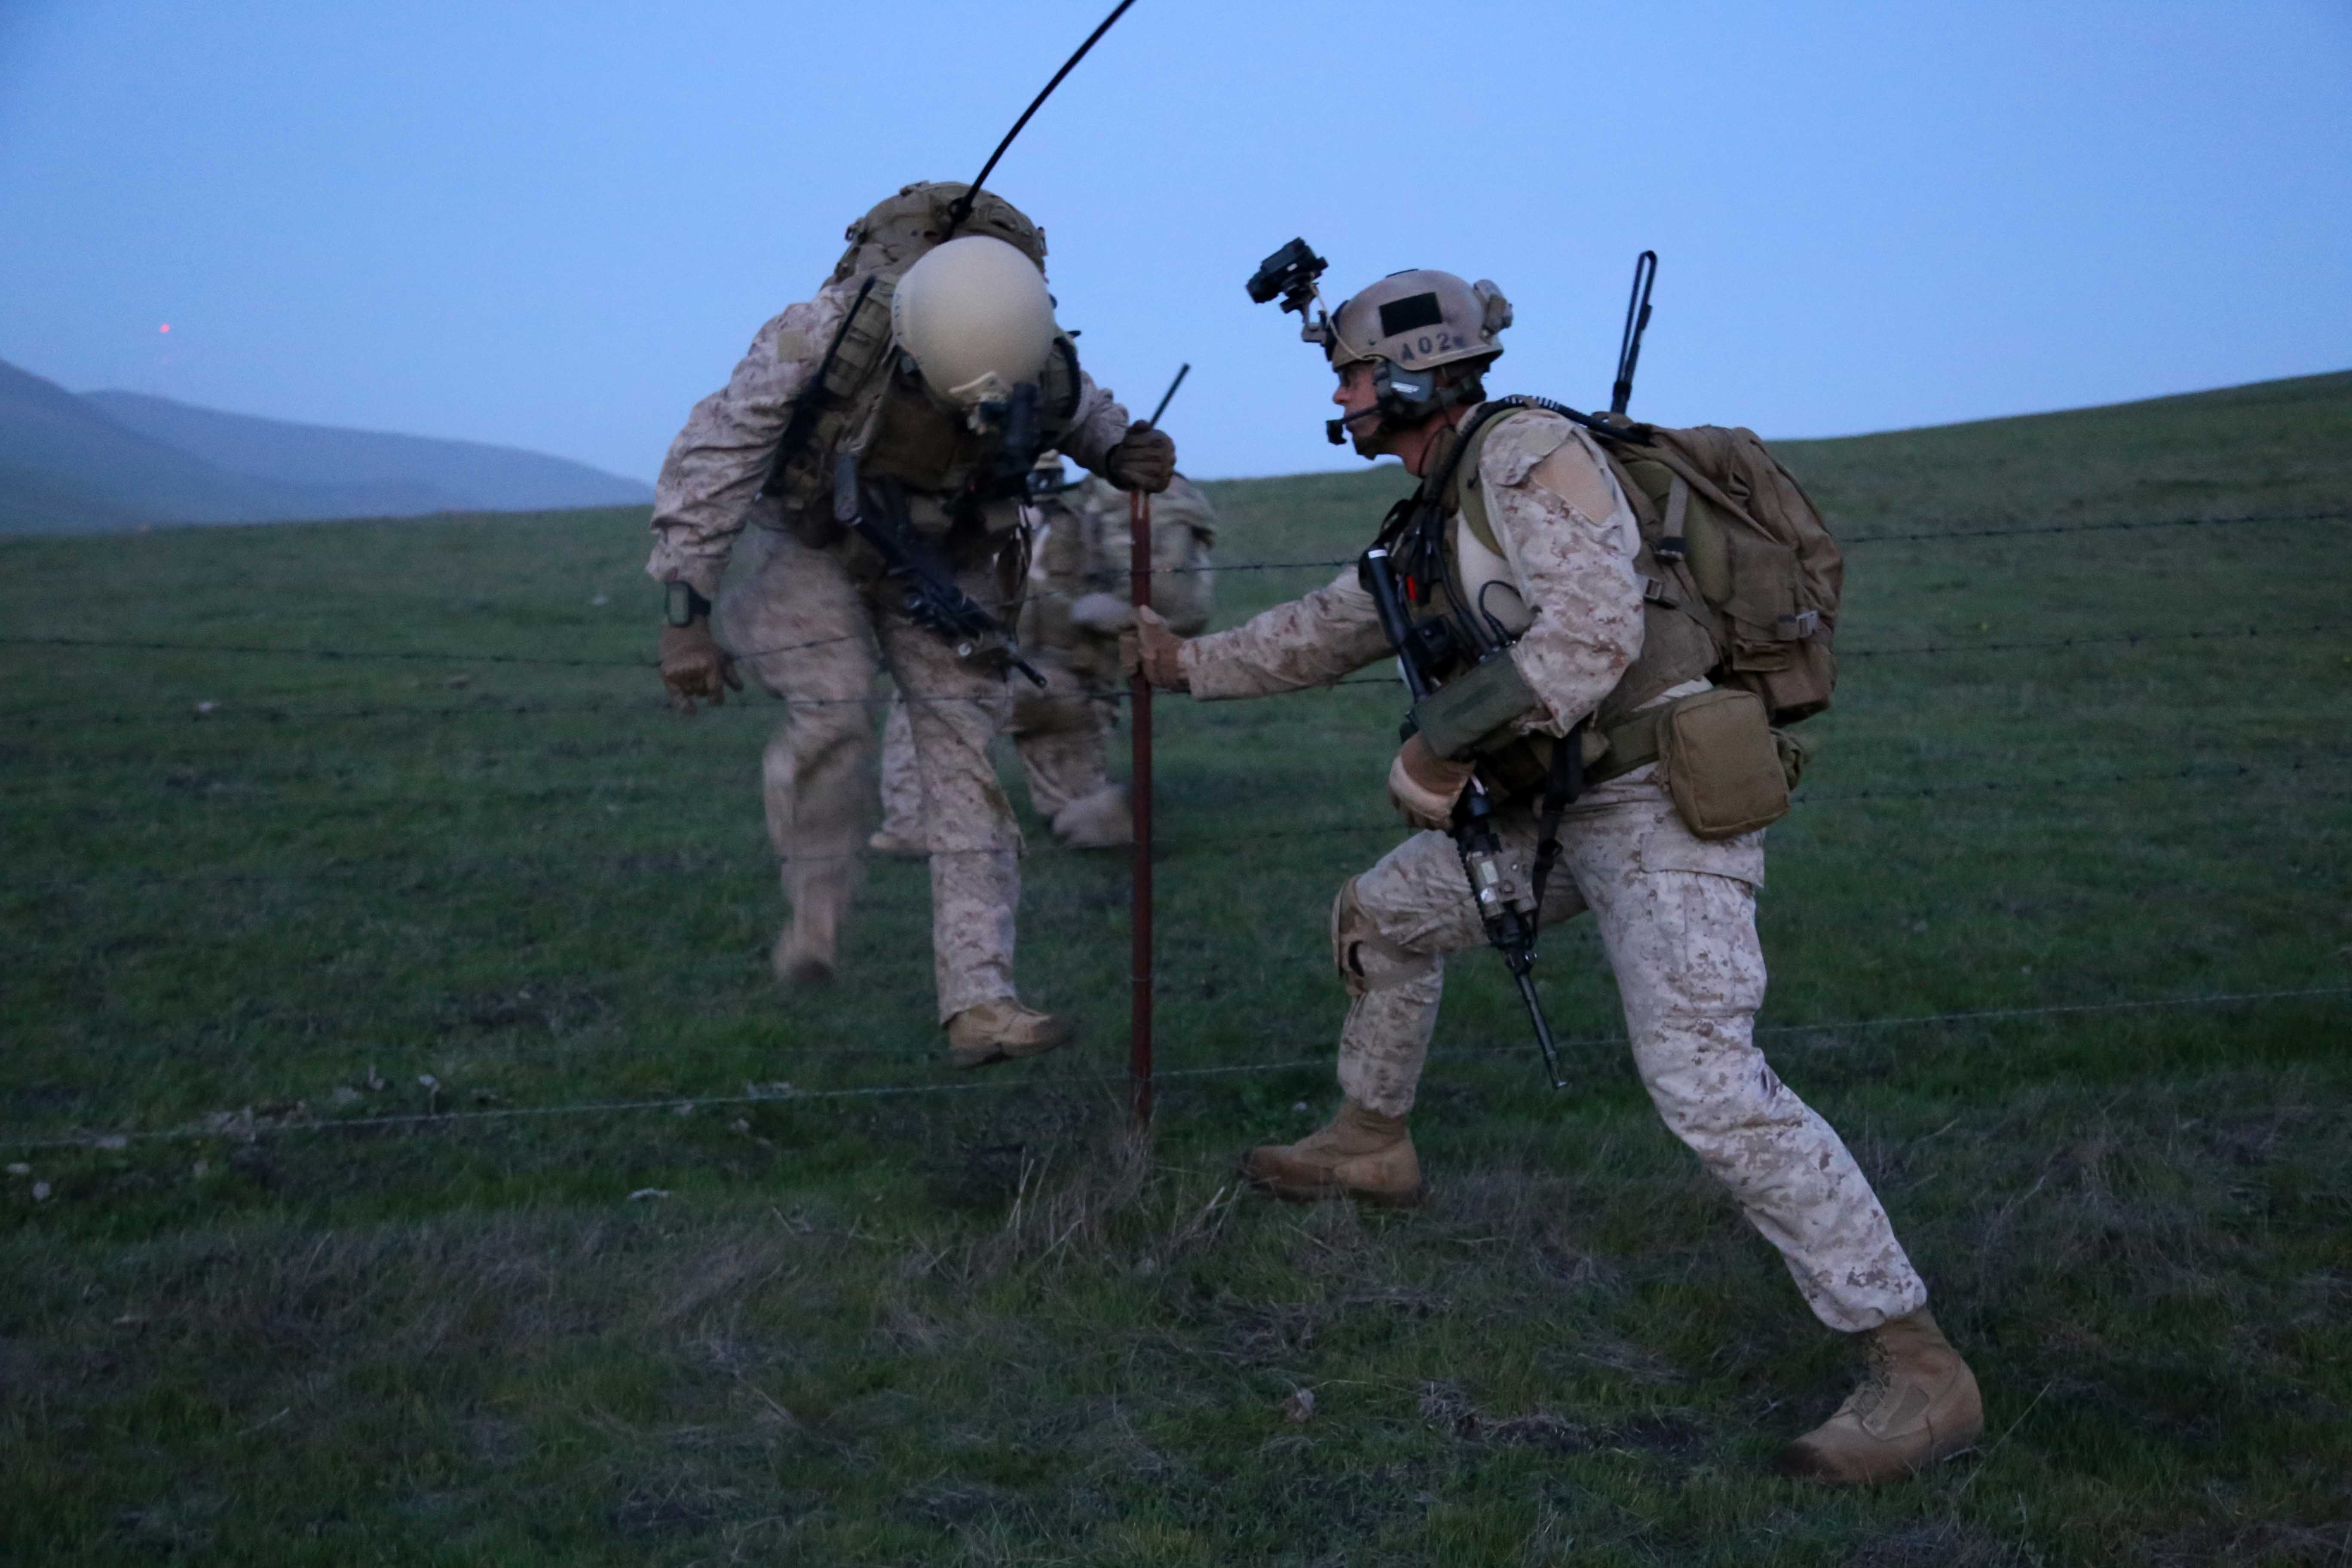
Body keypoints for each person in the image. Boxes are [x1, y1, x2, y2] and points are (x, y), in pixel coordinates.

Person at [1122, 266, 1981, 1483]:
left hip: (1658, 801)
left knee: (1708, 1084)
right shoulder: (1433, 509)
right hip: (1558, 808)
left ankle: (1920, 1371)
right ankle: (1373, 1140)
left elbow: (1589, 633)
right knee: (1383, 916)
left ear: (1421, 369)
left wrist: (1435, 746)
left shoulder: (1524, 451)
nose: (1343, 394)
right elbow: (1338, 623)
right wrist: (1182, 666)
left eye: (1356, 373)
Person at [649, 181, 1175, 1069]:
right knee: (835, 710)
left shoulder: (1035, 352)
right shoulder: (818, 336)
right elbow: (716, 457)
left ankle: (981, 1002)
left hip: (950, 560)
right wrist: (685, 614)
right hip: (812, 542)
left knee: (966, 766)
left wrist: (1124, 450)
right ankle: (814, 919)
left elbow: (1086, 412)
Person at [871, 461, 1219, 852]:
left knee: (916, 696)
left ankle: (913, 828)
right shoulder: (1090, 522)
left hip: (998, 683)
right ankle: (1098, 816)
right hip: (1078, 692)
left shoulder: (977, 528)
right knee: (1073, 811)